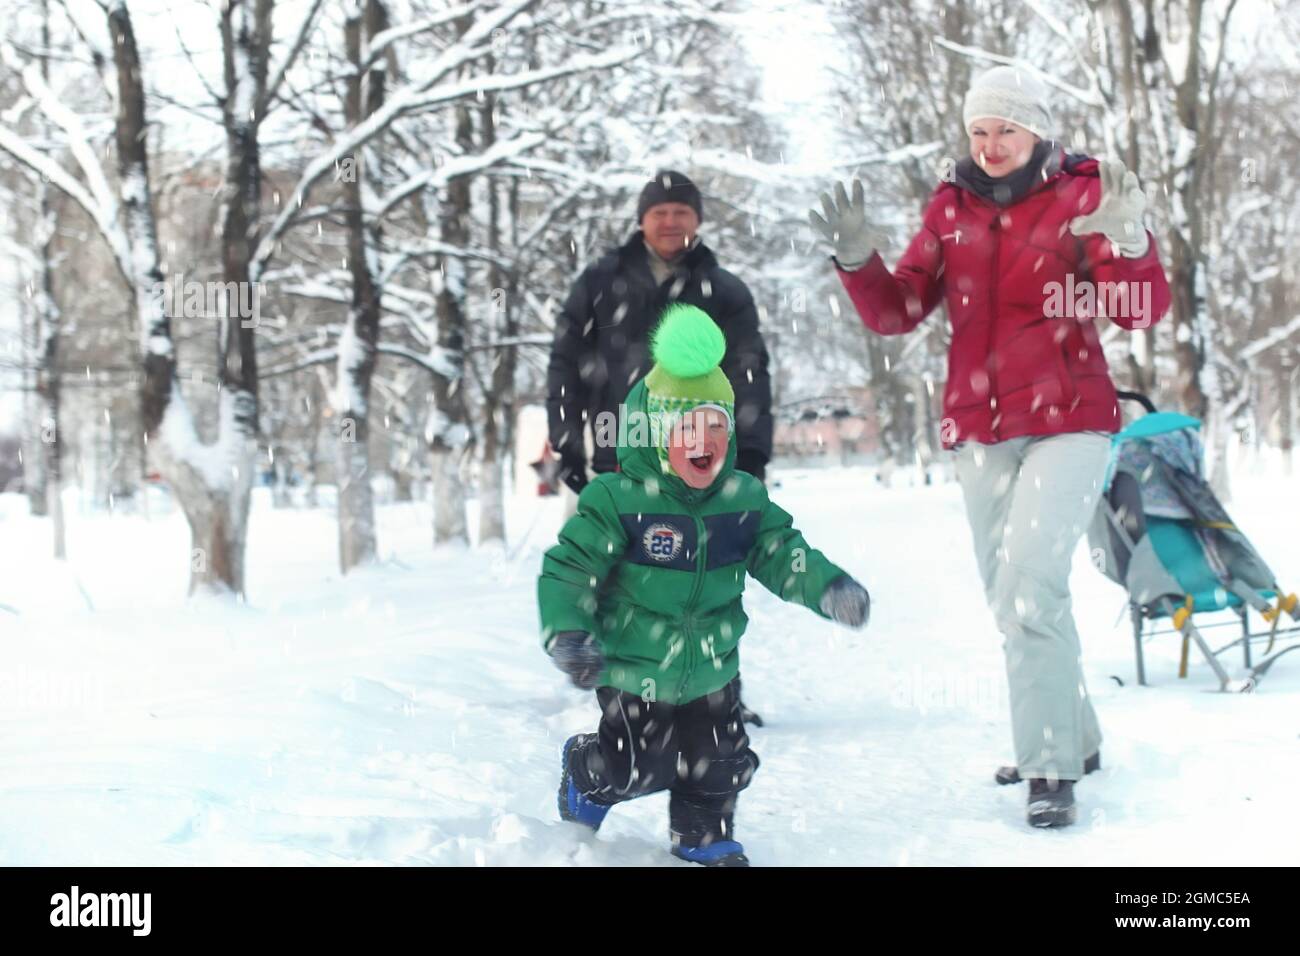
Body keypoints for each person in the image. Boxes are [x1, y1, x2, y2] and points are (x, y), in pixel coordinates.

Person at [809, 65, 1171, 828]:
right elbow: (901, 308)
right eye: (979, 129)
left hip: (1070, 417)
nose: (991, 143)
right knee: (1013, 601)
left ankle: (1048, 767)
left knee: (1032, 588)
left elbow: (1136, 311)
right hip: (978, 427)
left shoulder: (1084, 192)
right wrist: (856, 263)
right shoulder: (950, 206)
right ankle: (1074, 733)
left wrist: (1130, 240)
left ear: (1037, 128)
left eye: (1006, 128)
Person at [538, 304, 870, 865]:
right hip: (635, 667)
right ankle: (587, 772)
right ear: (653, 433)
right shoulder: (619, 501)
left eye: (717, 425)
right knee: (635, 765)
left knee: (718, 760)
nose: (705, 439)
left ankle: (704, 835)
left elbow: (781, 551)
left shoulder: (742, 500)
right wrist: (570, 631)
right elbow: (570, 567)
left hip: (714, 665)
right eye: (687, 427)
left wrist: (826, 586)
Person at [546, 168, 775, 726]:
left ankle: (719, 688)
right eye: (659, 212)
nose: (670, 222)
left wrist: (750, 451)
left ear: (697, 220)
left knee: (707, 568)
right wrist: (565, 442)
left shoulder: (723, 289)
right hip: (616, 445)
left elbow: (750, 370)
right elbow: (565, 362)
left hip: (704, 457)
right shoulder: (601, 281)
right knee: (617, 567)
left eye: (681, 211)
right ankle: (619, 682)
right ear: (642, 220)